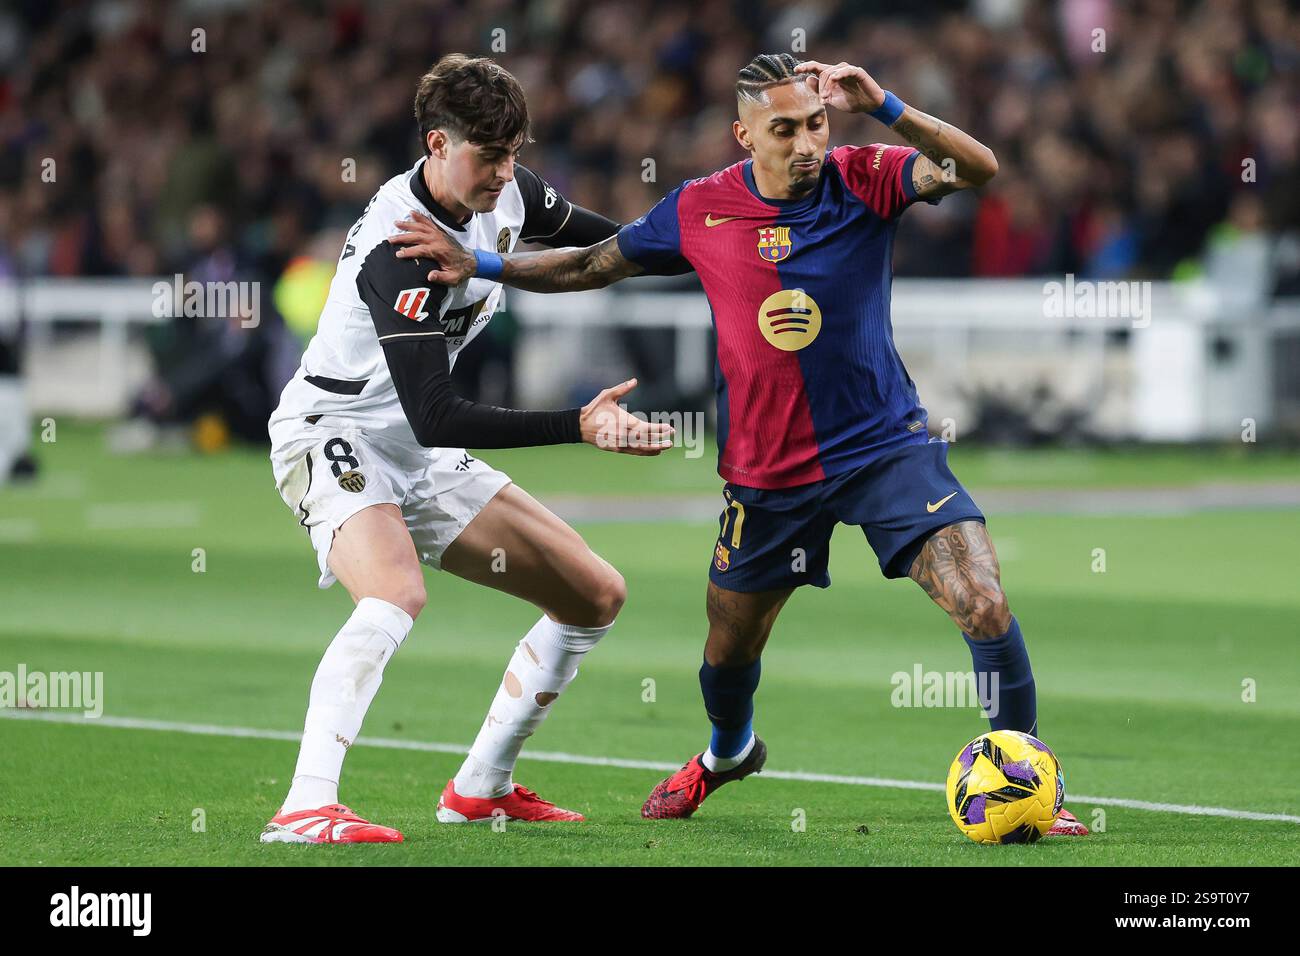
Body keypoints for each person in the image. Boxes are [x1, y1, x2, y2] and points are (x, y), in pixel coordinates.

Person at [389, 54, 1088, 837]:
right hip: (767, 476)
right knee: (728, 650)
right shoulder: (701, 208)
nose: (806, 144)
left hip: (883, 449)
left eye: (816, 123)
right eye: (783, 129)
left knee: (982, 600)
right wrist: (481, 263)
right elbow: (593, 264)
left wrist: (885, 104)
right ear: (745, 134)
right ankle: (727, 754)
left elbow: (976, 167)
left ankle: (1027, 781)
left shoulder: (866, 176)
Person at [261, 54, 673, 844]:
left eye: (515, 153)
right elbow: (438, 414)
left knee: (594, 595)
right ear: (437, 143)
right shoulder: (398, 247)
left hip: (413, 446)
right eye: (490, 156)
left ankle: (480, 785)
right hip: (335, 434)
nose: (506, 173)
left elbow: (620, 248)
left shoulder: (508, 190)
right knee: (393, 594)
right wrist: (575, 426)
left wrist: (732, 242)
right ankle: (305, 803)